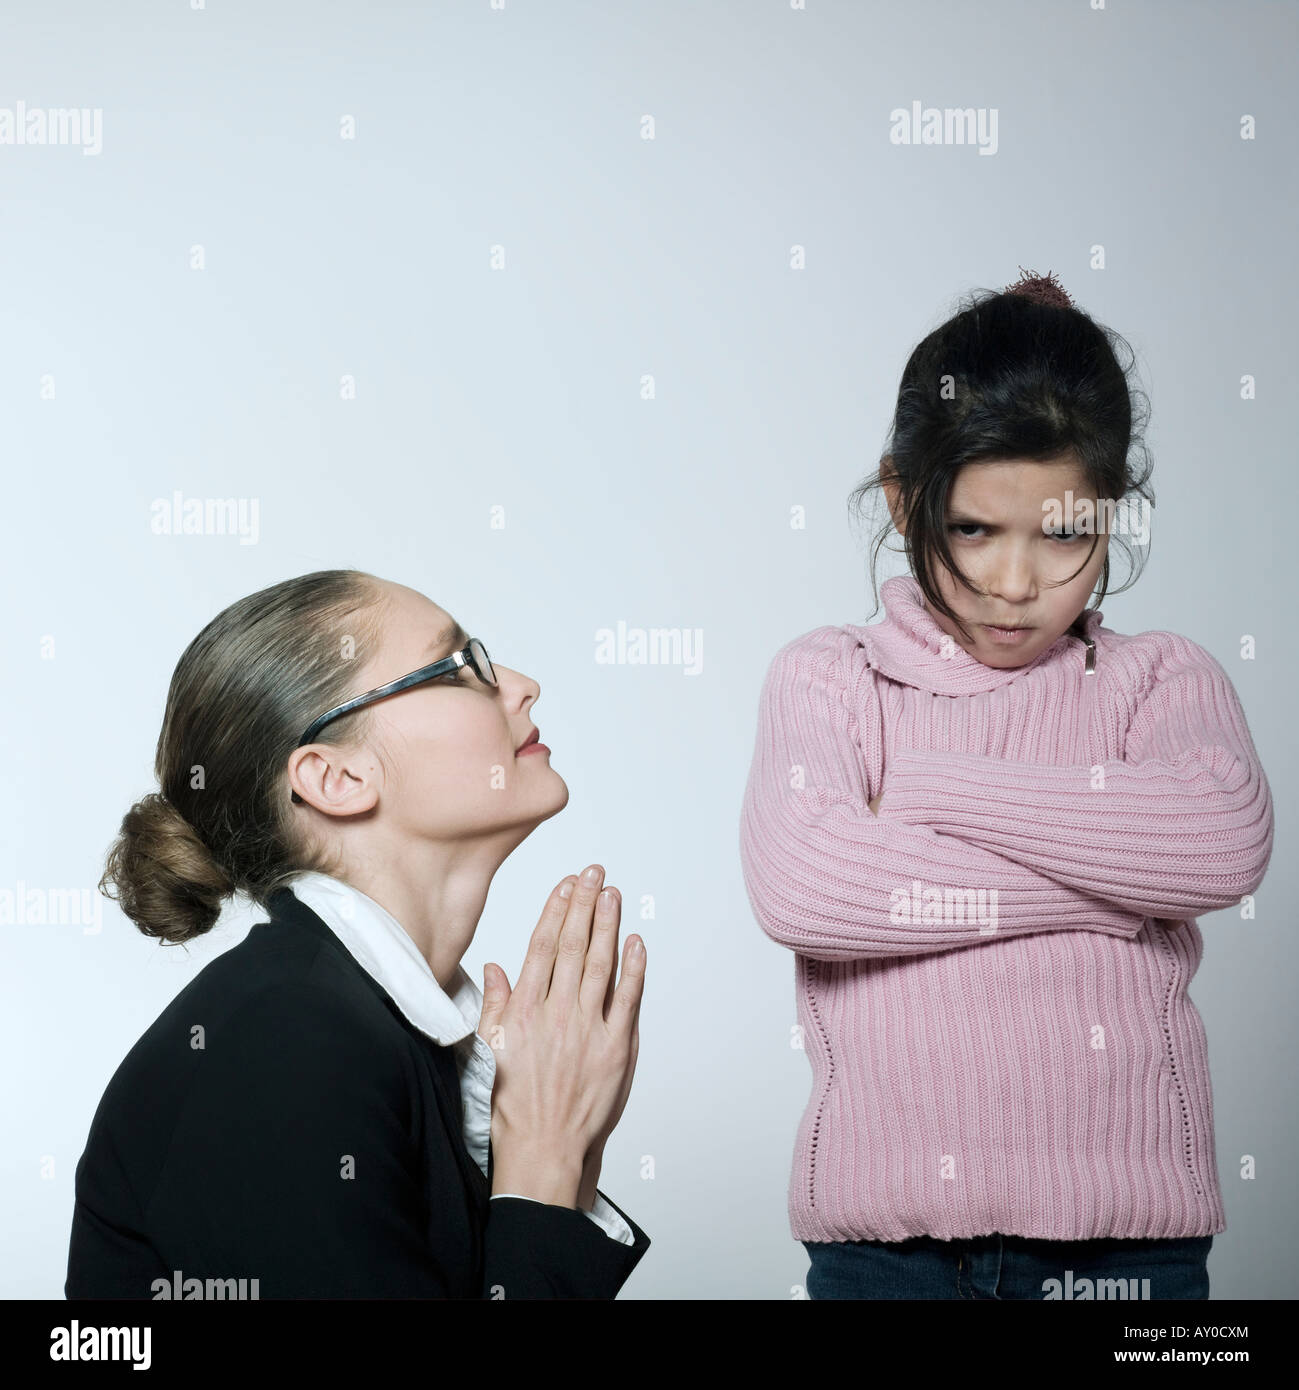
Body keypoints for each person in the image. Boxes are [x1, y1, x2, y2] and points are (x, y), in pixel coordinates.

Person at [738, 269, 1275, 1300]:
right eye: (976, 529)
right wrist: (1120, 885)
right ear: (903, 498)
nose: (1018, 583)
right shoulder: (832, 677)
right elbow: (808, 884)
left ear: (1113, 513)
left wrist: (935, 791)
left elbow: (1221, 840)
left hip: (1132, 1257)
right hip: (884, 1257)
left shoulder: (1155, 677)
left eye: (1066, 533)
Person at [65, 570, 649, 1298]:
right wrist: (544, 1164)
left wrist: (555, 1147)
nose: (523, 685)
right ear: (336, 778)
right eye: (461, 666)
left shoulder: (367, 1028)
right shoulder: (279, 1040)